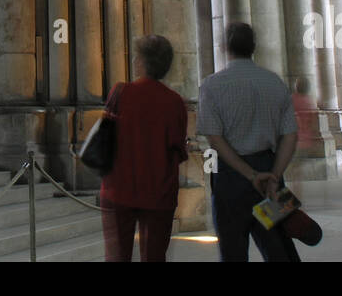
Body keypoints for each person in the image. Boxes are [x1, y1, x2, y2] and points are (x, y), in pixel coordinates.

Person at [197, 22, 300, 262]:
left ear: (224, 47)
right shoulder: (275, 82)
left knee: (233, 251)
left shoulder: (211, 85)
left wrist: (251, 175)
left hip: (231, 177)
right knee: (279, 249)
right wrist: (273, 175)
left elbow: (215, 139)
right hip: (271, 173)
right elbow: (290, 136)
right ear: (254, 47)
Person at [99, 35, 188, 263]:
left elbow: (105, 138)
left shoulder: (120, 93)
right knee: (155, 257)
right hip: (159, 193)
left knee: (117, 258)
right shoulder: (174, 102)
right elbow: (177, 151)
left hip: (118, 189)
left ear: (140, 62)